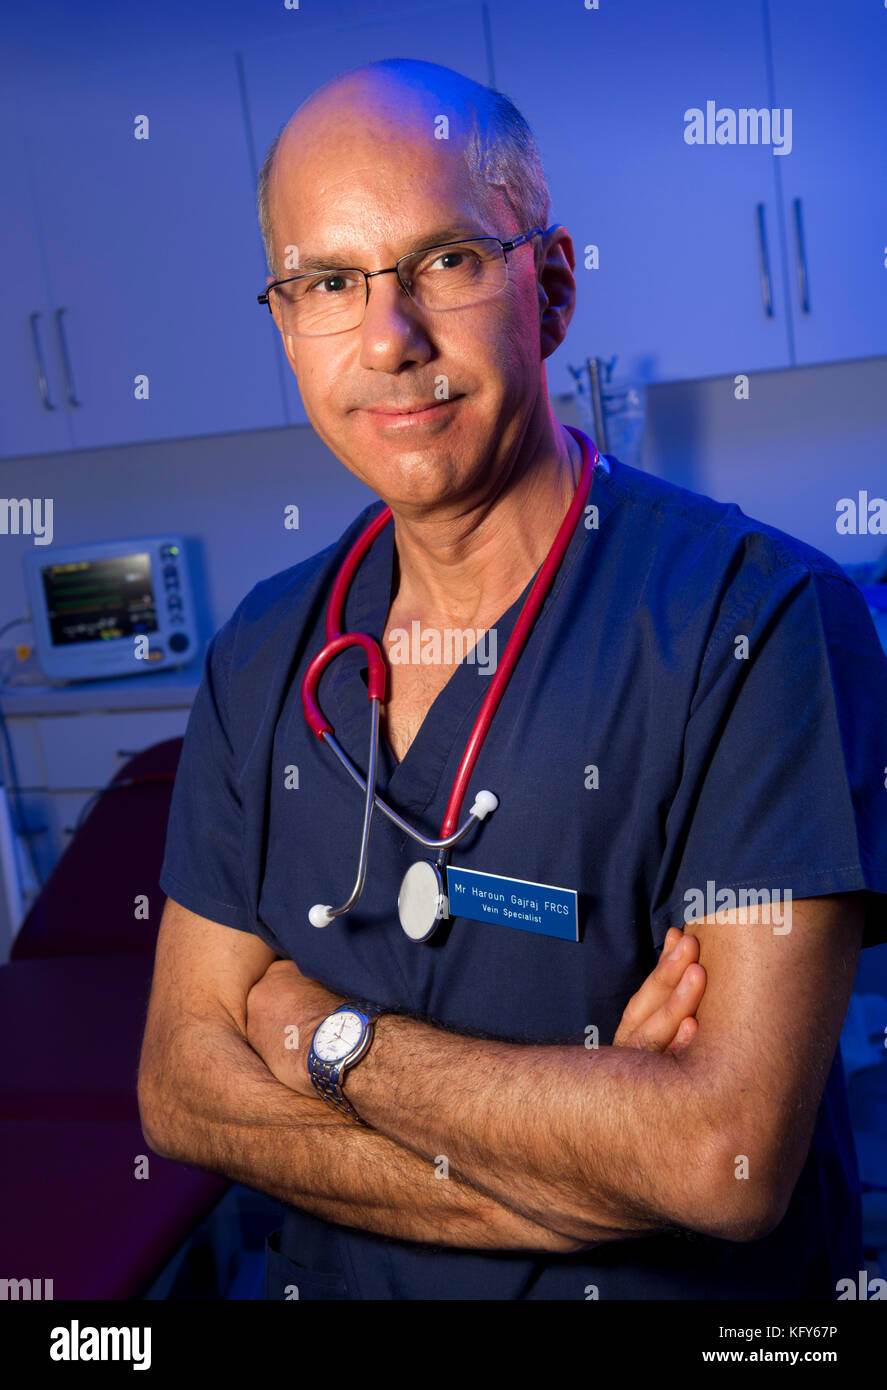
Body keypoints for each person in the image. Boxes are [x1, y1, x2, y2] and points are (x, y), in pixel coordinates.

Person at [138, 58, 887, 1300]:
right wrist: (588, 1164)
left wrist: (315, 1036)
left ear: (548, 286)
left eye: (445, 260)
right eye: (328, 281)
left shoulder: (757, 625)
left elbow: (723, 1153)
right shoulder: (262, 655)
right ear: (284, 321)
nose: (388, 337)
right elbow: (177, 1089)